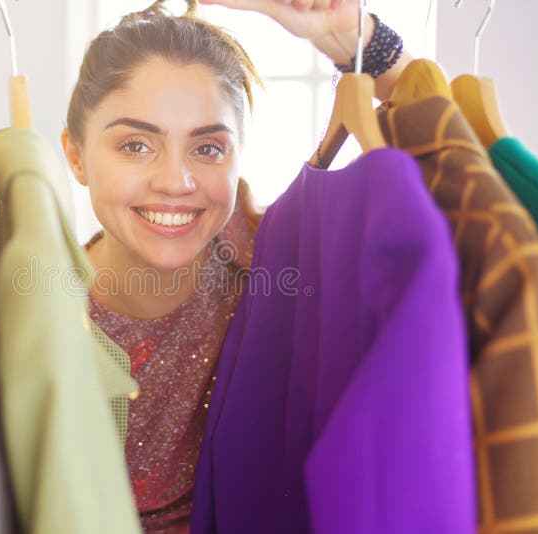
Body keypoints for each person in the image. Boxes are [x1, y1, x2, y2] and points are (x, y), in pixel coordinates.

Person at [60, 0, 413, 531]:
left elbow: (460, 156)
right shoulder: (29, 313)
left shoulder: (270, 261)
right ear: (77, 157)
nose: (175, 181)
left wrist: (355, 40)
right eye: (136, 145)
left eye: (207, 148)